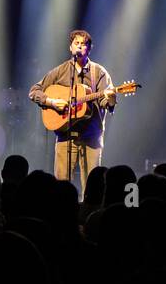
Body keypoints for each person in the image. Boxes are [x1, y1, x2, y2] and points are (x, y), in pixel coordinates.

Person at [28, 29, 117, 197]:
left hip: (91, 136)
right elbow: (34, 91)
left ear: (89, 49)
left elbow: (106, 103)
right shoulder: (60, 71)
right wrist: (52, 102)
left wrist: (111, 99)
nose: (80, 47)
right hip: (65, 134)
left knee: (94, 187)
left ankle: (89, 218)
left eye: (84, 44)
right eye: (76, 43)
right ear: (70, 47)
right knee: (61, 185)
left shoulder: (98, 72)